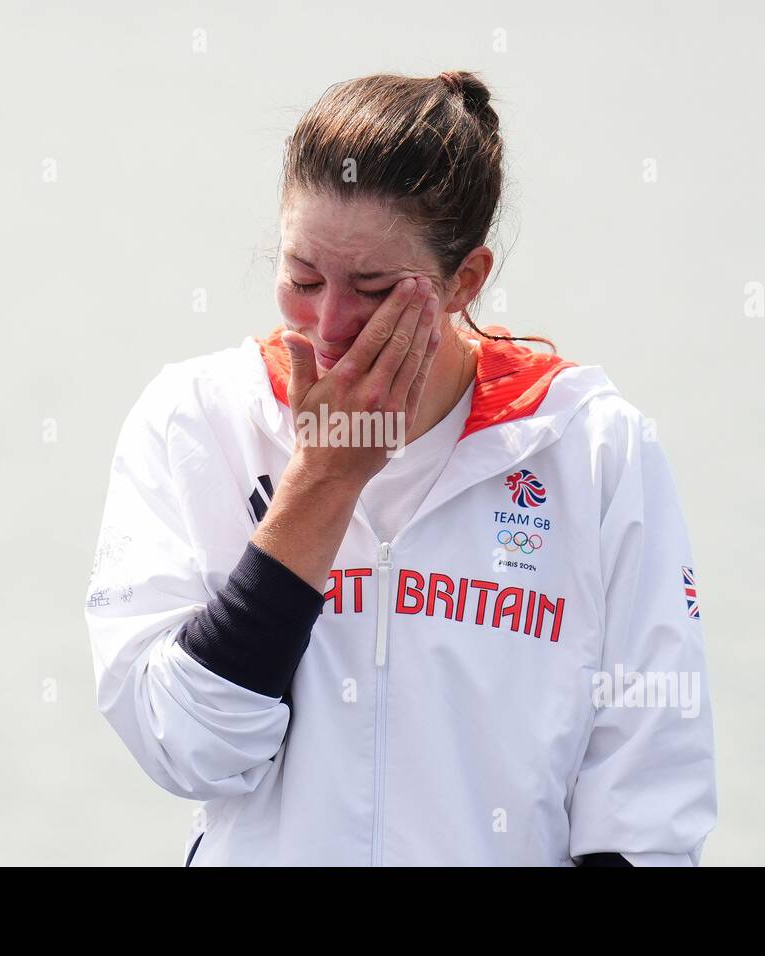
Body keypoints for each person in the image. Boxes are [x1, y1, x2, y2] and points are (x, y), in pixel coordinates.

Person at [85, 70, 716, 866]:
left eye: (374, 289)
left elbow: (647, 814)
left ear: (467, 281)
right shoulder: (197, 421)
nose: (330, 323)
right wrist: (325, 480)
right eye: (302, 278)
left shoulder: (592, 451)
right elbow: (188, 748)